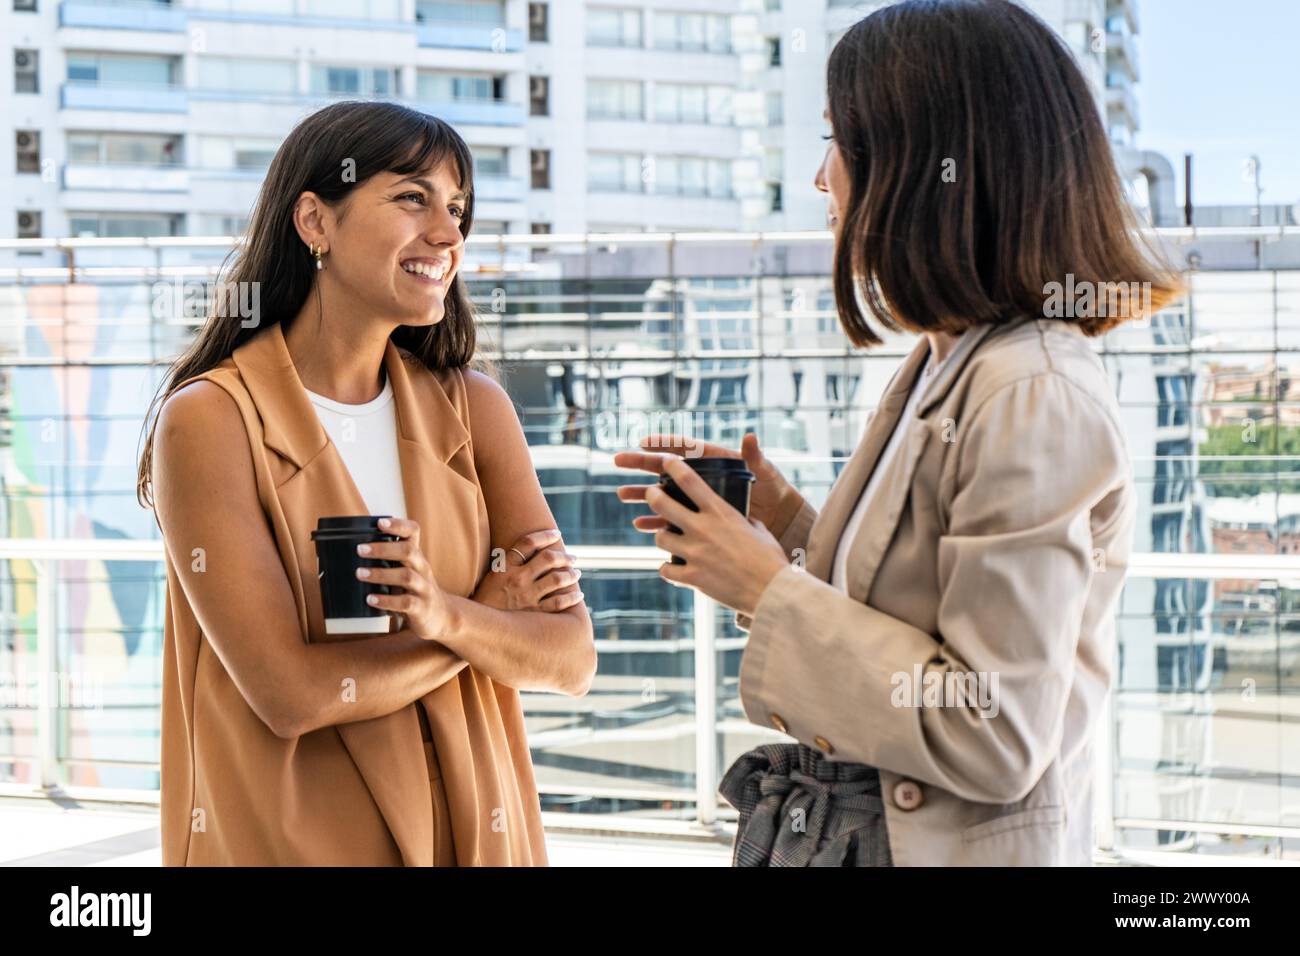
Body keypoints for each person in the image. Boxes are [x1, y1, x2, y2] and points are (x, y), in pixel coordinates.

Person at [615, 0, 1182, 866]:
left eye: (836, 142)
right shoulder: (947, 362)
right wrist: (789, 526)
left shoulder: (1027, 391)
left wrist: (771, 589)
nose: (821, 179)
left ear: (919, 165)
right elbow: (916, 607)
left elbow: (995, 730)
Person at [137, 101, 596, 866]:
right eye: (412, 198)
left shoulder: (475, 407)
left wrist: (448, 615)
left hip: (475, 831)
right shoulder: (212, 419)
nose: (448, 234)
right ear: (315, 221)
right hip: (295, 842)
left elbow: (571, 657)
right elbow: (290, 695)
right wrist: (475, 625)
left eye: (456, 208)